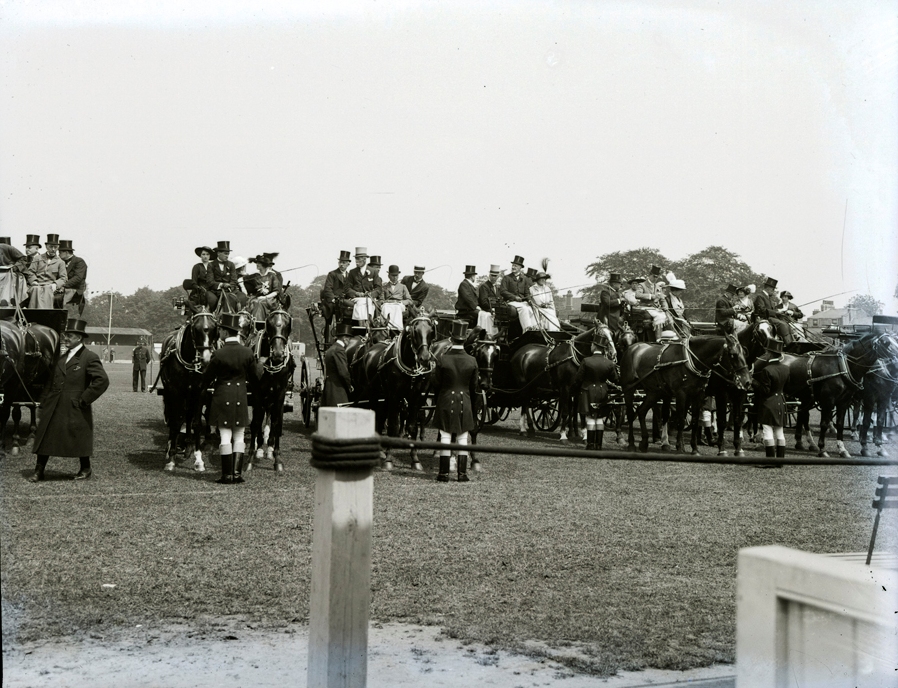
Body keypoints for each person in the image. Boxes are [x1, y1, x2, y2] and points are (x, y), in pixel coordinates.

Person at [29, 318, 110, 482]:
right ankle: (39, 471)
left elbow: (102, 380)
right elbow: (50, 382)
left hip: (75, 405)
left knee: (78, 437)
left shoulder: (89, 357)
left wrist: (84, 399)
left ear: (79, 338)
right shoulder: (61, 358)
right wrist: (43, 401)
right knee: (45, 435)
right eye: (65, 335)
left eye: (69, 336)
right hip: (53, 404)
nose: (65, 339)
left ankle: (85, 469)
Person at [200, 312, 262, 484]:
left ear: (226, 332)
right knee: (239, 435)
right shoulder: (247, 352)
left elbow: (207, 378)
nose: (219, 333)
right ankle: (237, 474)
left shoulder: (218, 354)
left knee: (225, 435)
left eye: (221, 330)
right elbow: (254, 379)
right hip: (240, 395)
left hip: (222, 396)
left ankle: (226, 475)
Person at [431, 320, 481, 482]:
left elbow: (436, 384)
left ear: (451, 339)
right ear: (465, 340)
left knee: (445, 435)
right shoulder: (472, 361)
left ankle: (443, 473)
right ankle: (462, 474)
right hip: (464, 400)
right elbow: (474, 387)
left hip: (445, 399)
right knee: (463, 436)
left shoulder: (442, 359)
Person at [751, 338, 790, 465]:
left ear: (770, 354)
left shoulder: (767, 370)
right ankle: (780, 461)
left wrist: (753, 381)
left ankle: (770, 460)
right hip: (781, 402)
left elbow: (765, 390)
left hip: (768, 403)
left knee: (767, 430)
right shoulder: (786, 368)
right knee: (779, 432)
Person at [24, 234, 67, 308]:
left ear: (58, 248)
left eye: (55, 247)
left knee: (47, 290)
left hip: (50, 285)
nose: (53, 249)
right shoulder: (38, 258)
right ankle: (32, 312)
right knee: (35, 289)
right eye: (51, 247)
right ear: (46, 246)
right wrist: (34, 281)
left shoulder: (60, 262)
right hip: (37, 284)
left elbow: (63, 278)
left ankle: (45, 313)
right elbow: (30, 271)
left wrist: (55, 284)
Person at [320, 249, 352, 344]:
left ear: (348, 264)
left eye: (344, 262)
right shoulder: (332, 274)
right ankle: (332, 336)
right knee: (336, 309)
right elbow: (327, 289)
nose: (341, 264)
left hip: (346, 302)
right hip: (334, 302)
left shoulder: (350, 276)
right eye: (340, 262)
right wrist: (333, 299)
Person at [622, 276, 666, 341]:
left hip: (645, 308)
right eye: (634, 283)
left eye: (637, 283)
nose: (636, 285)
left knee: (661, 315)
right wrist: (637, 302)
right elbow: (631, 300)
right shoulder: (627, 292)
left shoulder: (644, 291)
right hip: (633, 310)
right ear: (631, 284)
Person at [499, 255, 535, 331]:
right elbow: (503, 291)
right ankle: (527, 330)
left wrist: (529, 300)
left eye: (515, 266)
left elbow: (527, 293)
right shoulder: (506, 278)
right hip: (510, 301)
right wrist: (514, 297)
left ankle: (534, 329)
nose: (513, 267)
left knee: (531, 309)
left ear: (520, 267)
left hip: (521, 303)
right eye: (513, 265)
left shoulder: (524, 279)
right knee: (524, 309)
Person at [322, 322, 354, 407]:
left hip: (330, 386)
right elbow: (343, 372)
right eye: (349, 339)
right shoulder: (339, 350)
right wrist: (349, 385)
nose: (349, 341)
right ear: (345, 338)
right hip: (337, 389)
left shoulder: (332, 348)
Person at [245, 253, 284, 320]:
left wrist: (265, 297)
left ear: (263, 265)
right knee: (251, 302)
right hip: (257, 297)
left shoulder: (272, 275)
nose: (257, 265)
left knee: (259, 303)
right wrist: (244, 291)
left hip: (270, 299)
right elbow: (241, 279)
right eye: (257, 263)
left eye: (259, 263)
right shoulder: (255, 275)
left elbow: (276, 292)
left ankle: (258, 322)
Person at [209, 241, 244, 312]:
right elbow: (210, 281)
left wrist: (230, 286)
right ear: (218, 253)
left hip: (231, 290)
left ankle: (241, 316)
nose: (227, 256)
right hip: (217, 291)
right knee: (224, 298)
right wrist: (222, 285)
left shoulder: (231, 264)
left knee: (243, 297)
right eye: (225, 254)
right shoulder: (211, 265)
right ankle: (225, 316)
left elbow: (234, 280)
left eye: (228, 254)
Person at [753, 277, 791, 343]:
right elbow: (762, 310)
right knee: (783, 325)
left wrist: (781, 311)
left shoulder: (769, 298)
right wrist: (776, 312)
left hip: (771, 318)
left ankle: (790, 341)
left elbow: (773, 309)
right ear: (769, 288)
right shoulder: (760, 296)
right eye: (773, 289)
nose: (773, 291)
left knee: (787, 323)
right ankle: (789, 344)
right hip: (764, 318)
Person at [57, 240, 88, 316]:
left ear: (66, 252)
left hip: (74, 290)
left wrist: (63, 285)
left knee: (56, 298)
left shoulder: (79, 261)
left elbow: (78, 278)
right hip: (62, 288)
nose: (58, 254)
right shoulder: (60, 262)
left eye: (60, 252)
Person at [530, 260, 560, 331]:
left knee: (551, 315)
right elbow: (531, 301)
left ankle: (554, 331)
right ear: (537, 280)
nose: (543, 280)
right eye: (541, 279)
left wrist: (553, 311)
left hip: (548, 309)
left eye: (544, 279)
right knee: (546, 315)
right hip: (537, 310)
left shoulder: (547, 289)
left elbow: (551, 302)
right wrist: (539, 306)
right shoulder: (532, 289)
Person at [381, 265, 413, 330]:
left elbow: (409, 300)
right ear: (389, 276)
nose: (395, 277)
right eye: (393, 275)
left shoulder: (403, 286)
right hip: (388, 304)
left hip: (399, 305)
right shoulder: (384, 287)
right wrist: (387, 301)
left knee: (397, 307)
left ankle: (397, 328)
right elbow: (381, 300)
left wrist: (401, 302)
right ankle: (386, 327)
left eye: (396, 275)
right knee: (385, 307)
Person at [0, 236, 28, 306]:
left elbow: (23, 259)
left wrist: (15, 266)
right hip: (2, 272)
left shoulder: (7, 247)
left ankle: (6, 300)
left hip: (12, 272)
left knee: (8, 275)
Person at [187, 245, 216, 311]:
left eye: (207, 254)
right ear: (200, 255)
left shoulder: (213, 266)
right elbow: (194, 282)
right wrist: (199, 288)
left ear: (210, 256)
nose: (205, 256)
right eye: (203, 254)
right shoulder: (197, 267)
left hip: (212, 289)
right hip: (200, 291)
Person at [477, 264, 502, 336]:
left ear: (498, 276)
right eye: (492, 275)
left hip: (496, 311)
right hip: (487, 310)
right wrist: (493, 308)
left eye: (495, 276)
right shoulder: (484, 286)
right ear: (489, 275)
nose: (493, 277)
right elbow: (484, 302)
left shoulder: (497, 287)